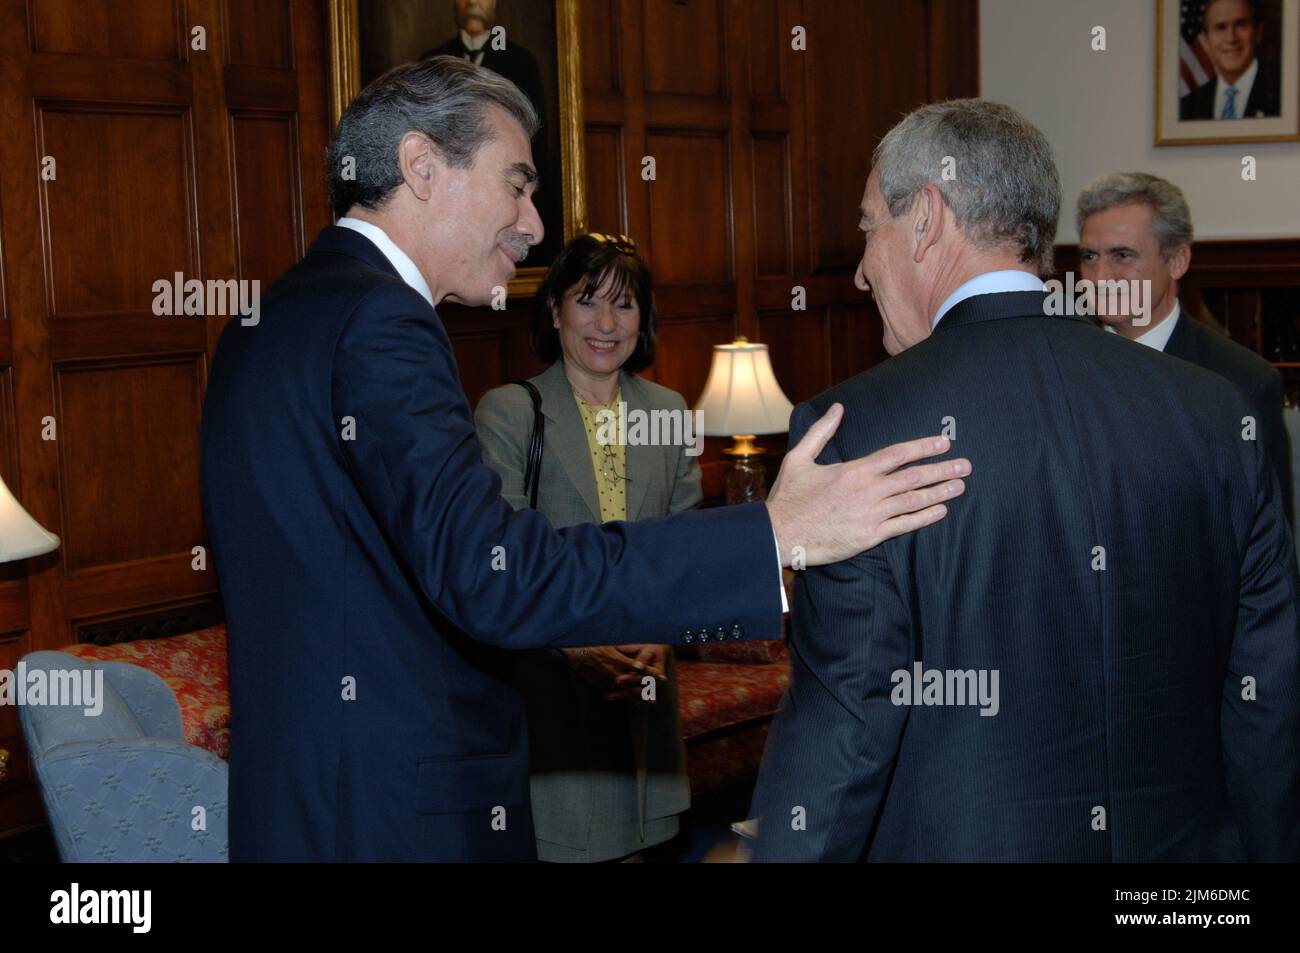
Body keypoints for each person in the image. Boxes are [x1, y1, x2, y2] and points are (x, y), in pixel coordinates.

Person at [200, 57, 971, 862]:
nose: (534, 224)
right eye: (517, 185)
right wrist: (774, 532)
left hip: (297, 806)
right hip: (396, 813)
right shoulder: (381, 321)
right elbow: (491, 573)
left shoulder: (266, 318)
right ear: (422, 168)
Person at [749, 99, 1300, 862]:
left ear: (926, 218)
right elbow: (1267, 694)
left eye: (868, 226)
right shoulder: (1216, 413)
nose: (861, 269)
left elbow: (842, 734)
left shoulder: (858, 433)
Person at [476, 233, 694, 862]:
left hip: (647, 684)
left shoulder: (670, 411)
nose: (605, 323)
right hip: (552, 690)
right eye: (587, 301)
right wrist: (582, 650)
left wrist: (663, 631)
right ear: (554, 311)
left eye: (624, 306)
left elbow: (681, 545)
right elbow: (503, 557)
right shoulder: (511, 413)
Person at [1076, 171, 1292, 524]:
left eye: (1122, 256)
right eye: (1089, 257)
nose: (1099, 277)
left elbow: (1268, 538)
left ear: (1177, 261)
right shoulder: (1059, 360)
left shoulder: (1241, 380)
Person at [1180, 0, 1280, 120]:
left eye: (1240, 25)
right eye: (1220, 27)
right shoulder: (1187, 108)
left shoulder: (1284, 96)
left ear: (1258, 32)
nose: (1231, 38)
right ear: (1206, 41)